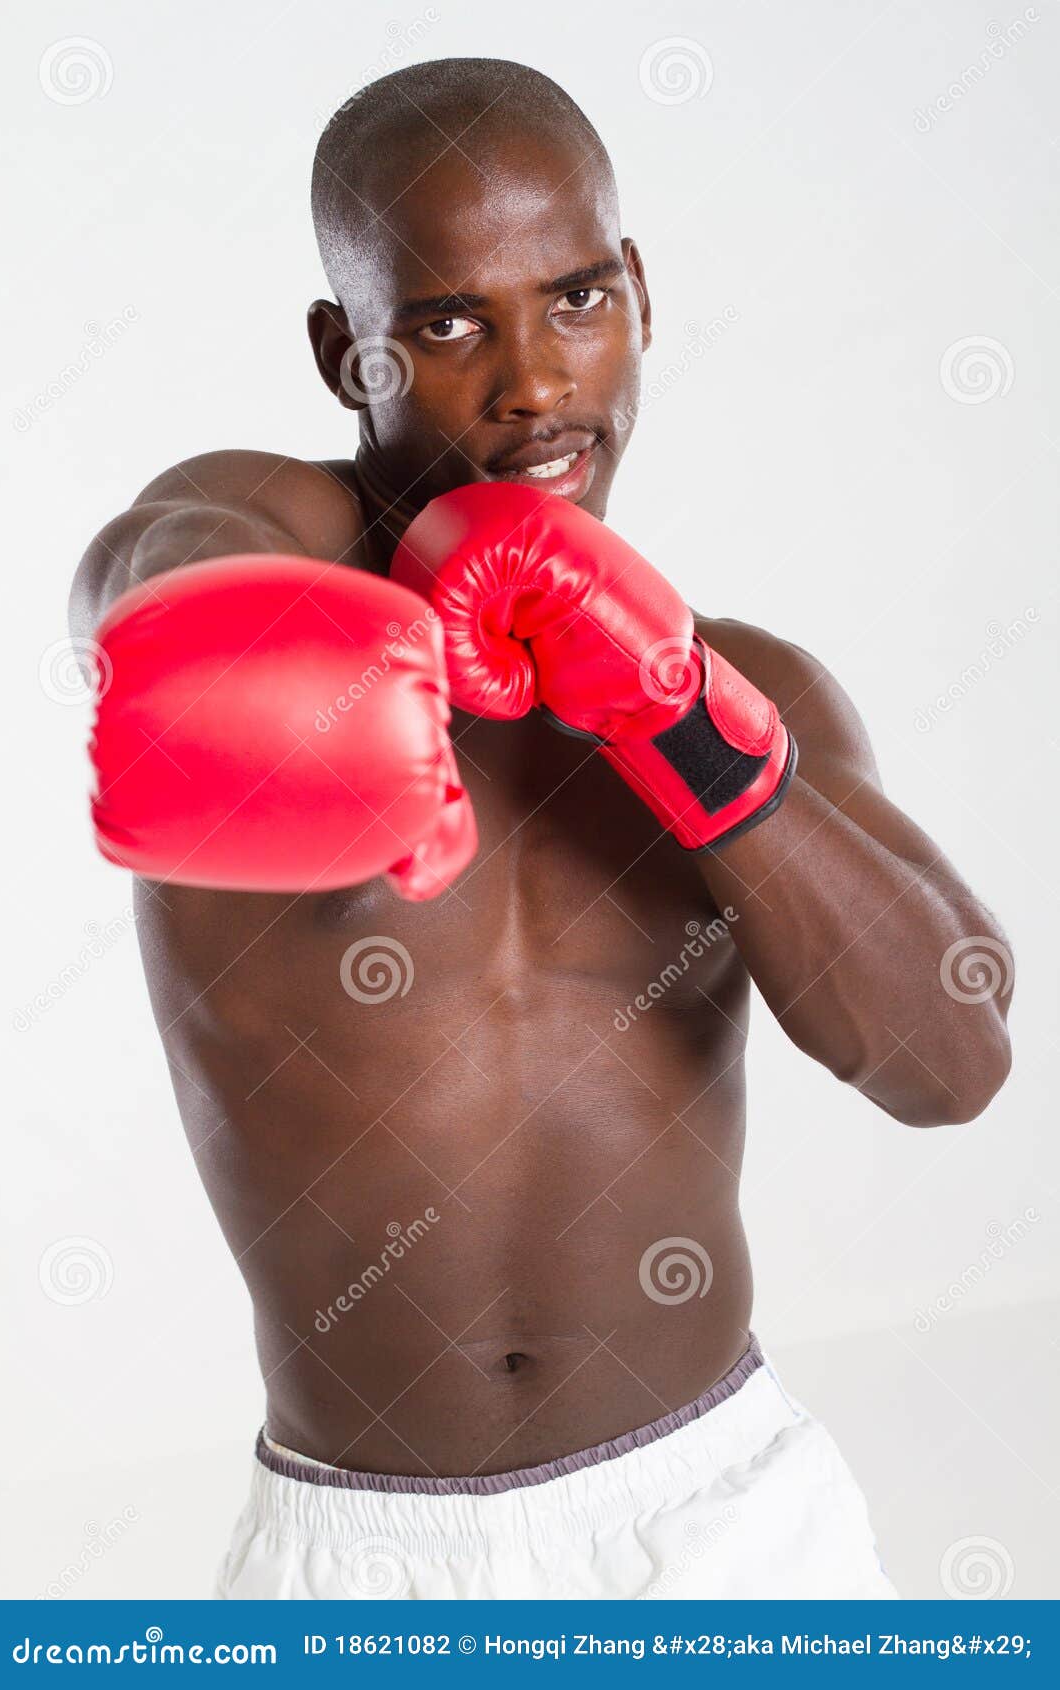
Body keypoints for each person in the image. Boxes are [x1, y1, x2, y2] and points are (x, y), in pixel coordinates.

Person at [70, 58, 1012, 1601]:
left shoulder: (745, 683)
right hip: (358, 1560)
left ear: (638, 291)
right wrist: (315, 669)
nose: (534, 383)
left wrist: (691, 730)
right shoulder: (279, 545)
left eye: (577, 299)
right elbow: (158, 572)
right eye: (446, 324)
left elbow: (955, 1058)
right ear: (342, 352)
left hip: (728, 1525)